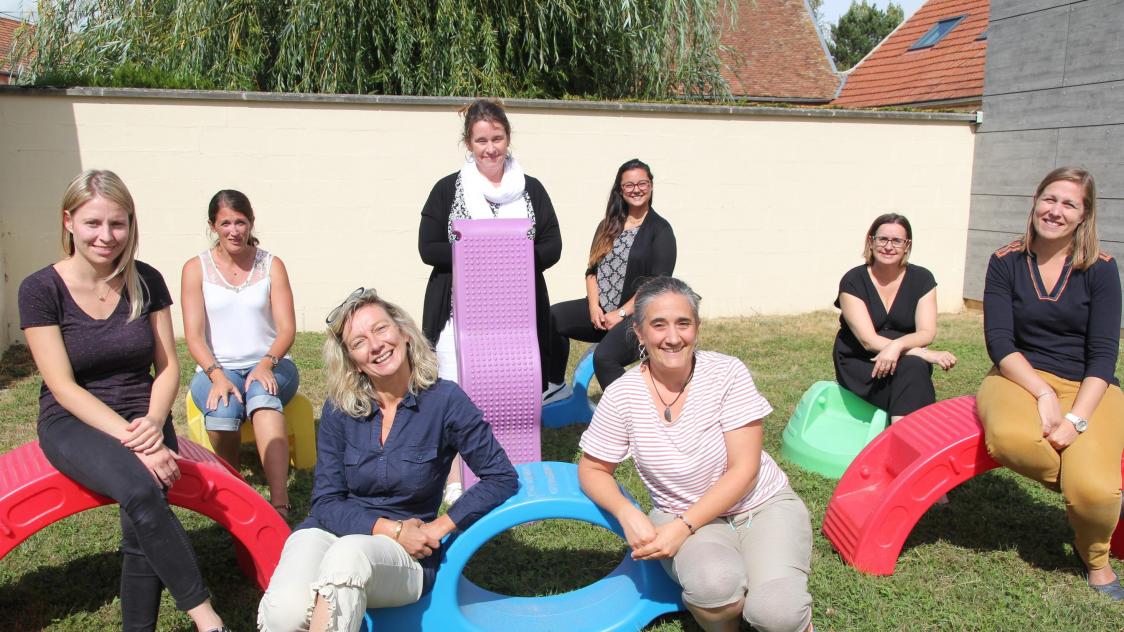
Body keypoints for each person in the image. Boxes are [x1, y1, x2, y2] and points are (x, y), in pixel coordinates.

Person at [18, 170, 229, 632]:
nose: (107, 236)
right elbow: (63, 386)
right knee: (140, 488)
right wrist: (138, 441)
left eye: (119, 224)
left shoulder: (146, 279)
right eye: (94, 223)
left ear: (131, 225)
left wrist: (154, 422)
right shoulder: (40, 290)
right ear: (68, 221)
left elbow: (168, 366)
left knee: (141, 524)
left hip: (143, 414)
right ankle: (208, 621)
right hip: (75, 420)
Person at [257, 289, 518, 632]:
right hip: (331, 530)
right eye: (359, 342)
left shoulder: (445, 400)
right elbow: (326, 502)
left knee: (347, 559)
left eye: (380, 329)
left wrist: (437, 527)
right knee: (283, 612)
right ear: (351, 360)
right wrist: (390, 529)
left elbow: (501, 477)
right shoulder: (340, 408)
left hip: (403, 556)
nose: (376, 345)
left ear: (404, 333)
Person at [578, 277, 813, 632]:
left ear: (696, 328)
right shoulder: (623, 394)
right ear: (639, 333)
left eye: (683, 323)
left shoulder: (726, 373)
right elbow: (592, 469)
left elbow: (744, 470)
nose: (673, 337)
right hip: (678, 510)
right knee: (714, 586)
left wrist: (682, 529)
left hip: (761, 507)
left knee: (776, 611)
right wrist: (627, 512)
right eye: (659, 325)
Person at [977, 167, 1124, 599]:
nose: (1055, 211)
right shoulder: (1005, 261)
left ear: (1084, 216)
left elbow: (1103, 354)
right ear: (1035, 201)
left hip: (1090, 384)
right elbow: (999, 342)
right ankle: (1090, 495)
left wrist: (1076, 419)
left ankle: (1094, 557)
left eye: (1068, 204)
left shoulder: (1101, 269)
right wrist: (1041, 393)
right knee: (1008, 437)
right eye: (1049, 198)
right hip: (1017, 375)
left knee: (1095, 487)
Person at [418, 97, 561, 502]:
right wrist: (495, 249)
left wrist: (493, 250)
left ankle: (517, 469)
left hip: (517, 311)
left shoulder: (531, 189)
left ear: (508, 138)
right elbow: (429, 247)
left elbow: (552, 246)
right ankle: (454, 476)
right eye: (481, 140)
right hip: (458, 311)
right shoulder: (448, 189)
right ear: (469, 143)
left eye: (497, 138)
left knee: (514, 388)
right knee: (454, 389)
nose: (490, 148)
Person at [181, 190, 299, 517]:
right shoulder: (195, 268)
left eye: (241, 222)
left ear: (251, 223)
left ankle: (279, 502)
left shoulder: (272, 265)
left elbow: (287, 328)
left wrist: (266, 363)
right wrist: (217, 377)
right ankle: (234, 491)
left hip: (272, 363)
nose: (234, 230)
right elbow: (193, 336)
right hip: (216, 368)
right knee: (223, 407)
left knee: (262, 396)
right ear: (213, 226)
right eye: (226, 223)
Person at [544, 158, 676, 401]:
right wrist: (593, 307)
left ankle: (634, 415)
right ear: (620, 189)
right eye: (629, 185)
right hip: (600, 311)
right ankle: (555, 385)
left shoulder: (661, 230)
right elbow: (591, 271)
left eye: (642, 183)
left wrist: (621, 314)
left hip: (638, 316)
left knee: (604, 358)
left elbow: (655, 286)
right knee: (551, 318)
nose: (636, 189)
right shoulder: (607, 226)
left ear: (651, 186)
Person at [833, 213, 957, 423]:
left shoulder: (922, 279)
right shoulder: (853, 281)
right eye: (883, 239)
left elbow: (927, 332)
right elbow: (868, 340)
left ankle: (902, 436)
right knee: (915, 373)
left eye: (897, 240)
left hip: (904, 360)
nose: (889, 246)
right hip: (862, 361)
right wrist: (923, 354)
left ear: (907, 245)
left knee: (913, 368)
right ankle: (909, 439)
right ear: (871, 241)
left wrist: (897, 347)